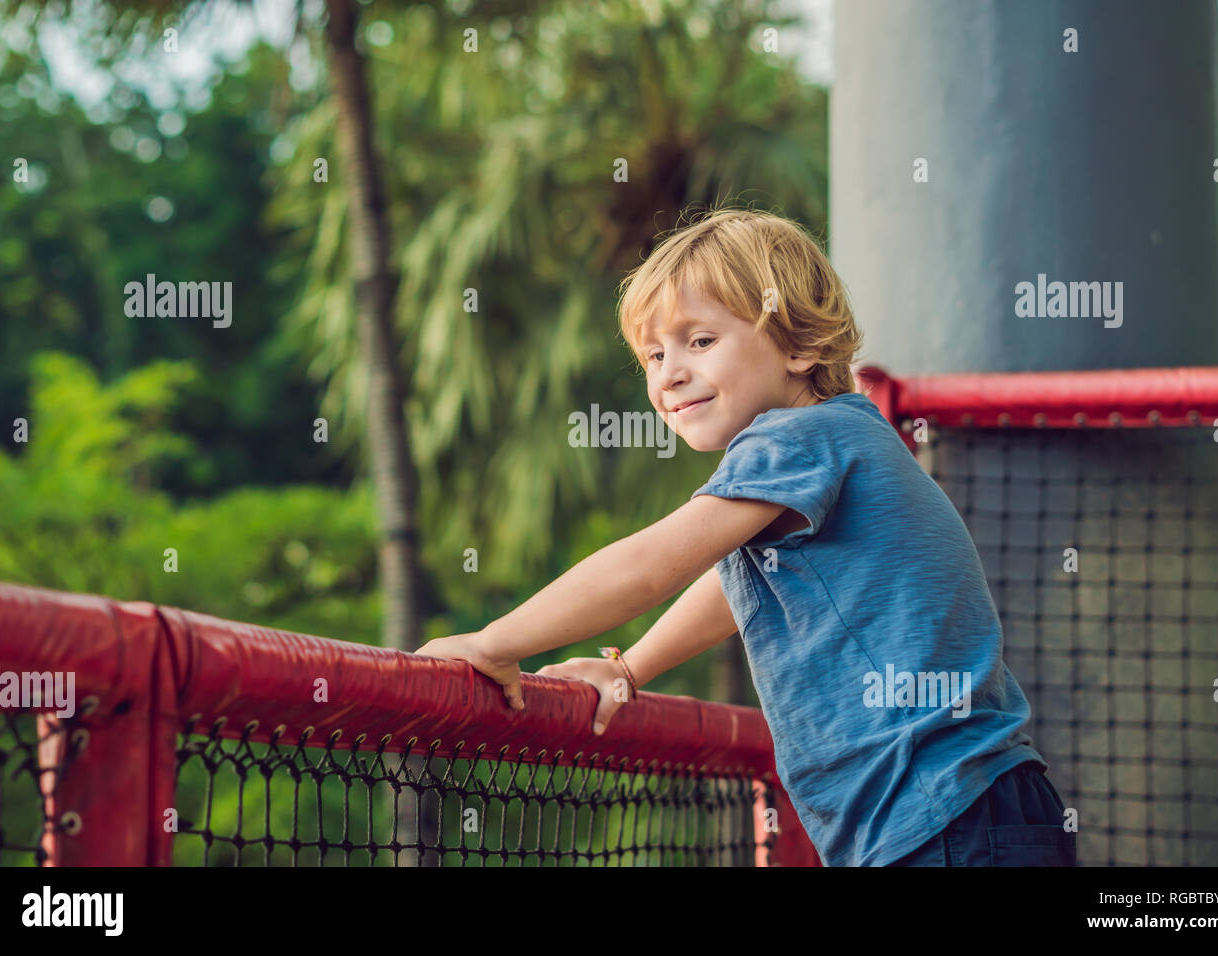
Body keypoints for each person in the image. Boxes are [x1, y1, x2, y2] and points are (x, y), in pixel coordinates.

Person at [417, 205, 1075, 867]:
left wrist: (492, 643)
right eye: (653, 353)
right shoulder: (835, 443)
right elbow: (738, 587)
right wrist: (628, 667)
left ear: (800, 346)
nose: (667, 373)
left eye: (699, 341)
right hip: (968, 812)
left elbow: (649, 568)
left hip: (947, 818)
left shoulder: (797, 437)